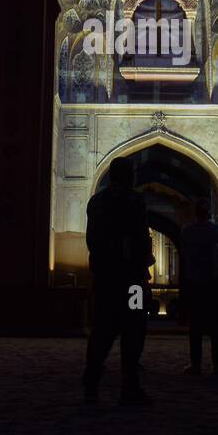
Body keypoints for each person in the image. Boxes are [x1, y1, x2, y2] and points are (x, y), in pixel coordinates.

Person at [82, 156, 154, 405]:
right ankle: (129, 388)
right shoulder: (134, 200)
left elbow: (91, 240)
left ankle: (90, 385)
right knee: (132, 330)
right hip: (131, 280)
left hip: (105, 278)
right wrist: (143, 263)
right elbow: (141, 237)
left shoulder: (96, 201)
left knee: (102, 330)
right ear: (128, 176)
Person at [179, 198, 218, 376]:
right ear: (208, 213)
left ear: (195, 213)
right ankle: (217, 364)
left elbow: (184, 255)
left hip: (195, 283)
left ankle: (196, 364)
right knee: (216, 324)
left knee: (196, 325)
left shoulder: (188, 231)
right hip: (214, 282)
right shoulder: (216, 230)